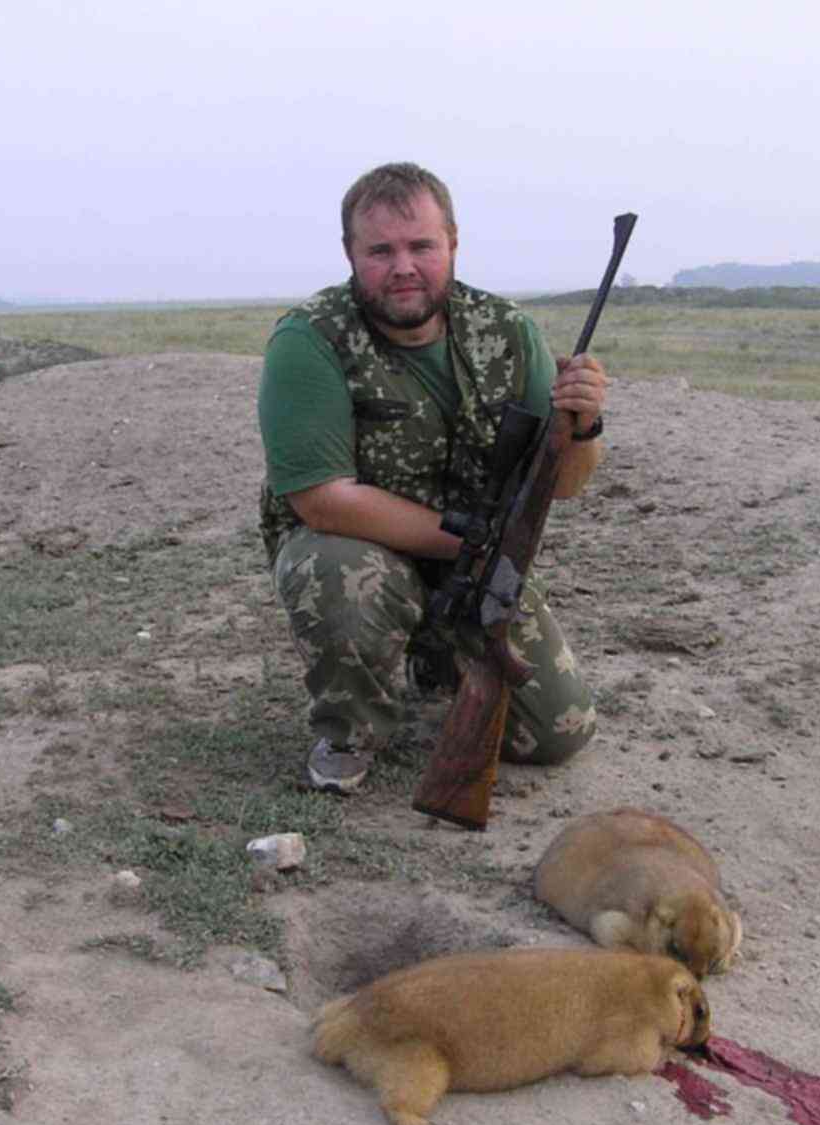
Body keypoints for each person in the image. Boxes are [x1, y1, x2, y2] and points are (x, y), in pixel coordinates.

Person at [257, 161, 609, 796]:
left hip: (474, 561)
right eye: (381, 251)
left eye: (421, 246)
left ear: (452, 243)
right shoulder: (309, 340)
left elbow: (562, 485)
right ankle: (350, 732)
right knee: (339, 571)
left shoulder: (508, 332)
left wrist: (584, 428)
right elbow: (322, 502)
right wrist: (472, 543)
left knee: (559, 732)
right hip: (360, 545)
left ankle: (440, 663)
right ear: (350, 253)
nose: (404, 267)